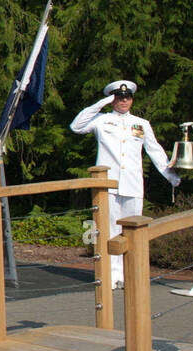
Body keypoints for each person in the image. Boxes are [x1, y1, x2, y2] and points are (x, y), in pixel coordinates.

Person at [70, 79, 180, 288]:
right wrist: (100, 104)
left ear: (132, 100)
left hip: (132, 184)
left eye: (127, 97)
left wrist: (172, 178)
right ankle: (111, 275)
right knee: (110, 229)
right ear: (113, 99)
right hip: (108, 185)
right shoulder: (101, 120)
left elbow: (155, 151)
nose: (123, 101)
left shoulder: (141, 124)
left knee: (133, 230)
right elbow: (76, 126)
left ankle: (129, 274)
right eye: (119, 98)